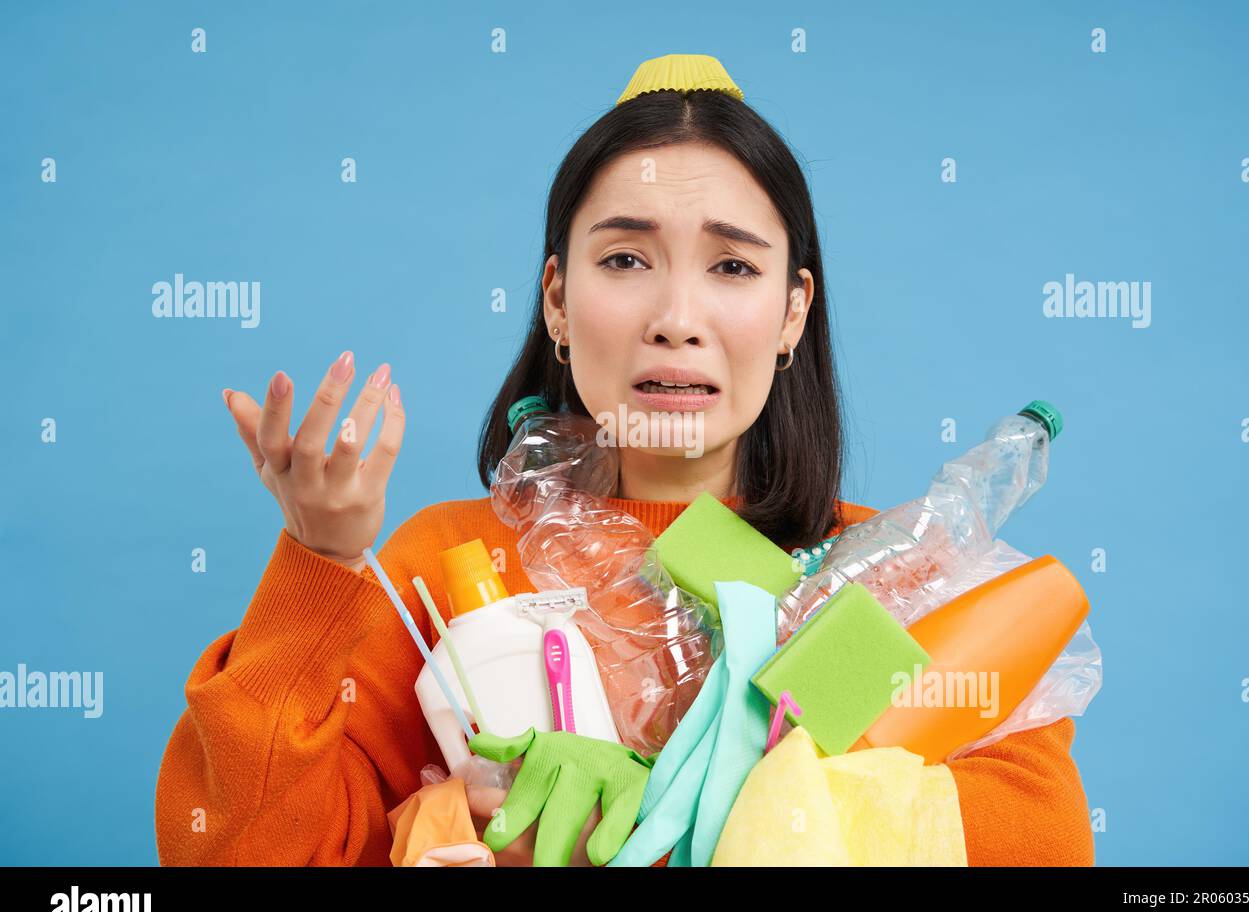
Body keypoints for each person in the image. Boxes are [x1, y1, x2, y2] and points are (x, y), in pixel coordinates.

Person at [155, 54, 1094, 867]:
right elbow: (236, 849)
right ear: (557, 302)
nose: (675, 318)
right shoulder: (442, 572)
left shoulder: (897, 579)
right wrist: (320, 563)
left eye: (732, 267)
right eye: (625, 260)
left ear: (792, 314)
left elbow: (1043, 839)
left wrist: (655, 805)